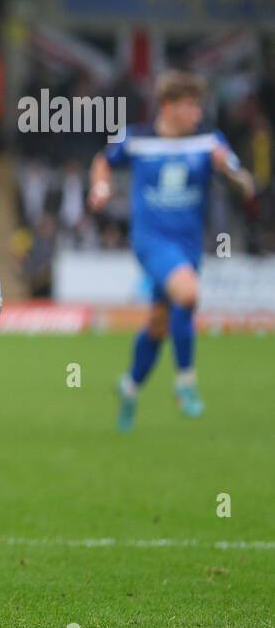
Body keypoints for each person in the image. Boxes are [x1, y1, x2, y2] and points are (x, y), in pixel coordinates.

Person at [88, 70, 255, 431]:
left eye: (198, 104)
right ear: (167, 106)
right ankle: (185, 384)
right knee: (189, 293)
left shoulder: (209, 141)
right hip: (151, 241)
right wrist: (100, 188)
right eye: (190, 105)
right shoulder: (134, 138)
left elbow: (247, 187)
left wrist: (227, 171)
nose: (197, 112)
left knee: (160, 323)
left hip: (188, 245)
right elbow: (102, 161)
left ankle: (129, 387)